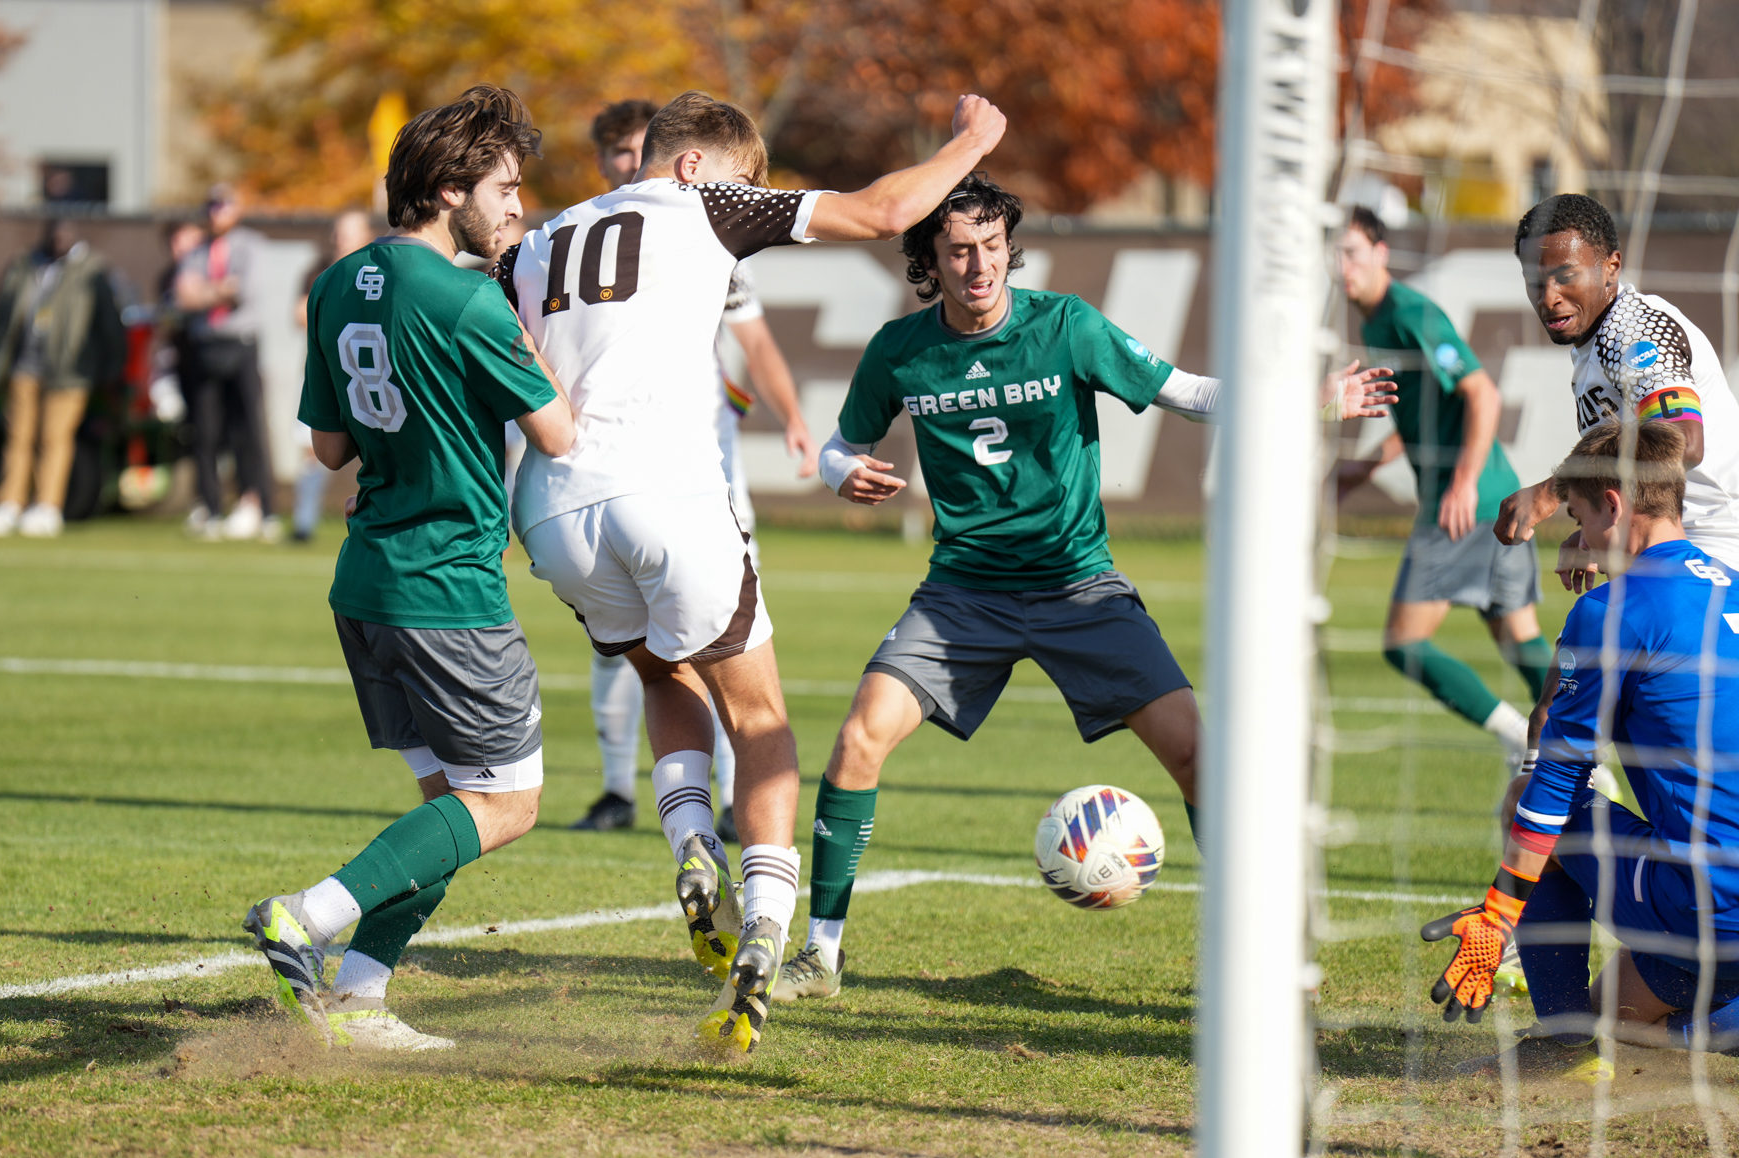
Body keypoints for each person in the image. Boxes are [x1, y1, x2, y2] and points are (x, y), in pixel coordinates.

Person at [785, 175, 1401, 1002]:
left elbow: (1187, 393)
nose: (980, 265)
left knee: (1198, 755)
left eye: (994, 246)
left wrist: (1306, 398)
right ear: (929, 257)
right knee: (859, 739)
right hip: (962, 594)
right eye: (960, 249)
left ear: (1010, 246)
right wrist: (840, 473)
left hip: (1081, 587)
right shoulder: (901, 349)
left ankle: (1253, 954)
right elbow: (838, 444)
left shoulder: (1066, 325)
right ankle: (820, 954)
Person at [500, 90, 1007, 1054]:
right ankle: (769, 932)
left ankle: (692, 842)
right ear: (694, 166)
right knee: (762, 715)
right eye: (744, 180)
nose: (752, 200)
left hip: (556, 508)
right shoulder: (704, 204)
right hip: (666, 493)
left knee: (660, 671)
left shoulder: (538, 239)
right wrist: (975, 140)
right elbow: (886, 211)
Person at [242, 86, 574, 1051]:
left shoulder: (338, 283)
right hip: (449, 590)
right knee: (507, 803)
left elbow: (329, 450)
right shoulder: (469, 297)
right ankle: (307, 912)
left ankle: (359, 997)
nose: (518, 208)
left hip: (368, 584)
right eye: (505, 188)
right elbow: (558, 430)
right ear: (445, 189)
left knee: (449, 809)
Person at [1425, 420, 1739, 1065]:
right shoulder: (1730, 582)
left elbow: (1556, 783)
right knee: (1619, 1007)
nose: (1581, 538)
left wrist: (1499, 910)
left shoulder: (1612, 611)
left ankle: (1561, 1043)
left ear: (1615, 505)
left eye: (1580, 516)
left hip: (1713, 900)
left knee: (1524, 800)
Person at [569, 99, 818, 840]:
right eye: (612, 152)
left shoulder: (702, 233)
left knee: (722, 650)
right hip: (608, 470)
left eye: (630, 149)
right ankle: (618, 790)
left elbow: (757, 342)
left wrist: (795, 416)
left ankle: (736, 801)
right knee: (633, 659)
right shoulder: (579, 238)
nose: (621, 162)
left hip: (695, 473)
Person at [1332, 205, 1545, 770]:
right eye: (1333, 253)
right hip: (1498, 495)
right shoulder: (1375, 321)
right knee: (1521, 641)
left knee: (1403, 643)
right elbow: (1428, 407)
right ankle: (1586, 753)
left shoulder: (1408, 312)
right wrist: (1371, 463)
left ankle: (1516, 734)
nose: (1341, 264)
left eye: (1351, 251)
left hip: (1465, 503)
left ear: (1380, 253)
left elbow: (1482, 395)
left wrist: (1462, 484)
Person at [1495, 193, 1739, 578]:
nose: (1549, 297)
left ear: (1611, 267)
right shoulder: (1596, 341)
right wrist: (1596, 526)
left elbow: (1683, 442)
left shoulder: (1634, 331)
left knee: (1586, 634)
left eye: (1565, 276)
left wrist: (1551, 491)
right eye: (1535, 282)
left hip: (1717, 545)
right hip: (1669, 545)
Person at [0, 218, 126, 538]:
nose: (59, 238)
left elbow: (109, 323)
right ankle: (10, 503)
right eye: (54, 232)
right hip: (24, 365)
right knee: (17, 436)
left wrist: (111, 368)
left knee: (54, 438)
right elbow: (2, 314)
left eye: (66, 233)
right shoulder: (24, 264)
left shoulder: (91, 269)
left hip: (70, 370)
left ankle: (47, 506)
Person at [176, 184, 278, 542]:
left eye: (222, 206)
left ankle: (264, 509)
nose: (216, 213)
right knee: (204, 432)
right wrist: (216, 291)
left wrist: (207, 291)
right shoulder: (196, 251)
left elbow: (242, 291)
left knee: (250, 429)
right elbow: (184, 297)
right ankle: (211, 508)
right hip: (206, 346)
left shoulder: (250, 245)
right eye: (211, 206)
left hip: (240, 344)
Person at [291, 209, 378, 542]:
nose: (342, 239)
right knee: (314, 450)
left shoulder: (376, 270)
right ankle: (303, 524)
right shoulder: (321, 272)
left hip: (371, 375)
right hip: (328, 375)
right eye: (339, 232)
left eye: (350, 232)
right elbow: (300, 313)